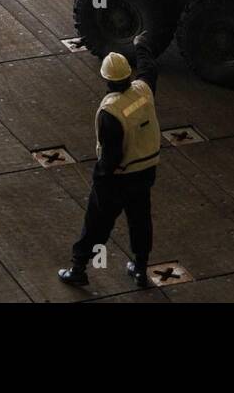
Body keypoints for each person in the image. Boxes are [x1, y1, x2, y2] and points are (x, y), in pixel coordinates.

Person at [59, 31, 161, 289]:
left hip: (118, 179)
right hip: (145, 172)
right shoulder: (144, 91)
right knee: (140, 221)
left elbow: (111, 157)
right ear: (128, 75)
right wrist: (140, 45)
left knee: (96, 224)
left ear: (106, 80)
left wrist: (99, 179)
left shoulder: (110, 112)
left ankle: (78, 268)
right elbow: (149, 68)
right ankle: (139, 270)